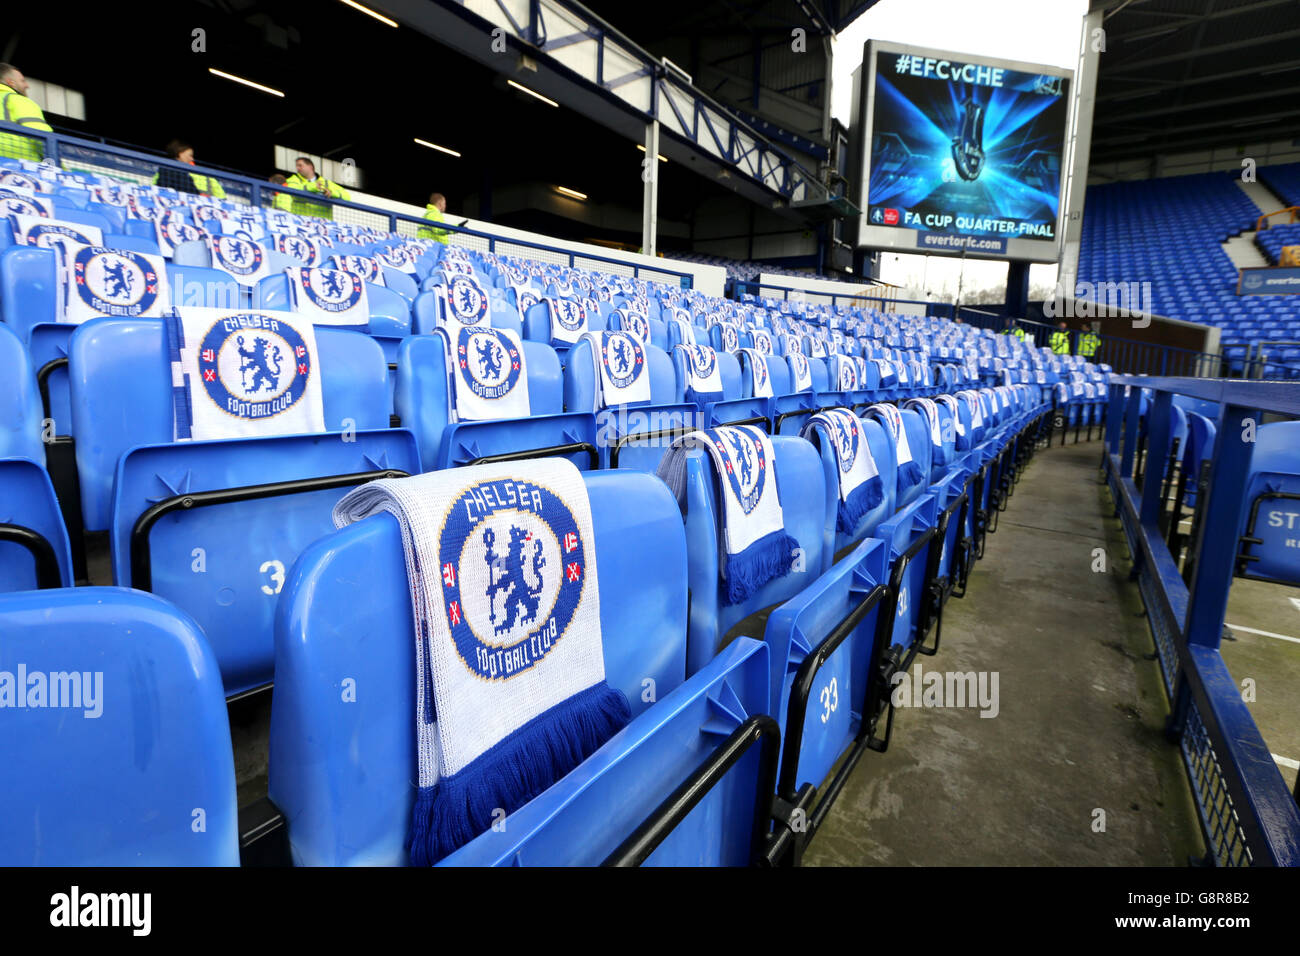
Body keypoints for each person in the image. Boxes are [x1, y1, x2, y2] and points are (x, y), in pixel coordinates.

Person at [0, 64, 53, 162]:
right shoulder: (18, 100)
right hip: (17, 169)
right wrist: (61, 170)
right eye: (22, 81)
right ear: (10, 83)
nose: (27, 86)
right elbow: (42, 138)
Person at [152, 140, 226, 198]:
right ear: (180, 154)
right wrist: (201, 197)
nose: (192, 159)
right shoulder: (174, 171)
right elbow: (190, 191)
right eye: (190, 155)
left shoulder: (168, 168)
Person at [283, 157, 349, 219]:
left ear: (310, 166)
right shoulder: (293, 179)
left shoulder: (326, 183)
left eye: (300, 165)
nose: (297, 168)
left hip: (323, 225)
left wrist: (332, 193)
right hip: (301, 222)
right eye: (297, 166)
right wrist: (313, 187)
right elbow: (292, 189)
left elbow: (347, 196)